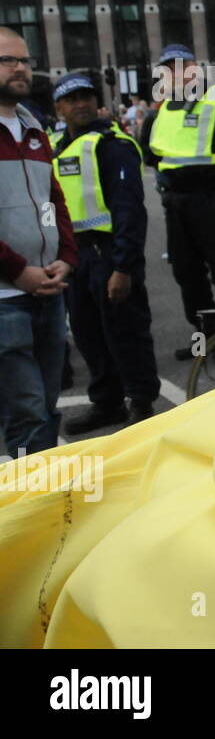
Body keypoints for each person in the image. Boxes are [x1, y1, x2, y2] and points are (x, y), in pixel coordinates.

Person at [48, 74, 159, 434]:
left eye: (87, 97)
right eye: (71, 99)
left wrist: (124, 266)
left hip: (109, 252)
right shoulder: (53, 145)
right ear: (58, 108)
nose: (81, 104)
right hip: (73, 255)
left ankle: (141, 402)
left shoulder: (113, 144)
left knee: (126, 330)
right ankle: (107, 403)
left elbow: (129, 208)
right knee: (87, 333)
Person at [141, 44, 215, 359]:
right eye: (169, 68)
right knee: (187, 274)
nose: (176, 73)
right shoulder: (163, 109)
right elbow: (152, 153)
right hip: (178, 204)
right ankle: (205, 341)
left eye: (183, 65)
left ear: (196, 67)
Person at [0, 29, 77, 455]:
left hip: (47, 289)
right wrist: (19, 271)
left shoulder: (32, 127)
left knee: (46, 407)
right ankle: (27, 514)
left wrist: (65, 255)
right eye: (8, 60)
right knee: (25, 411)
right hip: (7, 296)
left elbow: (52, 200)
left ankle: (44, 503)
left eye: (25, 60)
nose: (21, 68)